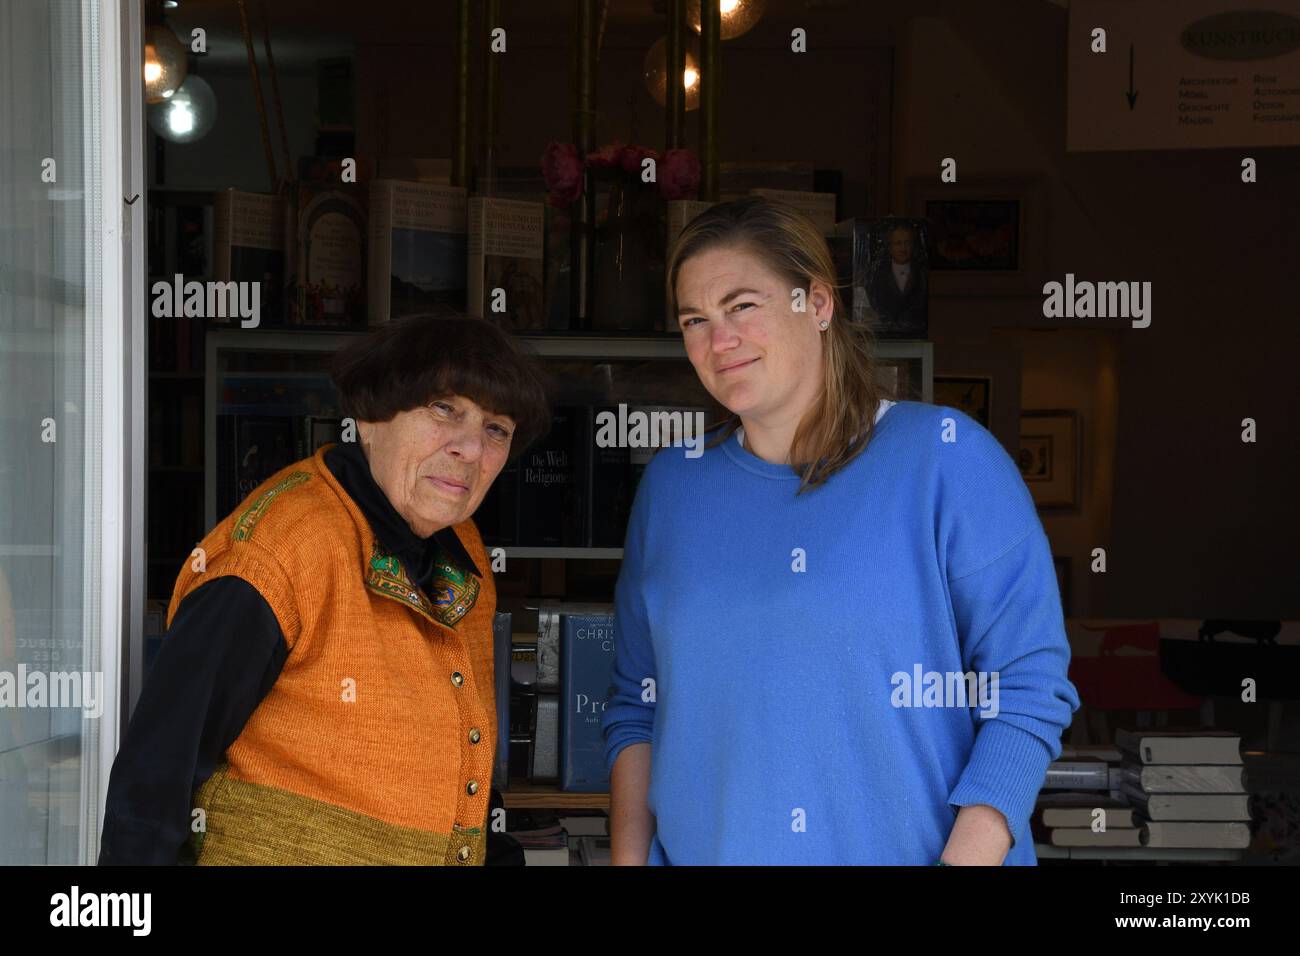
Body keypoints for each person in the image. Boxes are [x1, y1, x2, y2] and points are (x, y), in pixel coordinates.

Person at [602, 197, 1079, 865]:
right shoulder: (673, 489)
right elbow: (636, 707)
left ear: (819, 304)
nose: (720, 340)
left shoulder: (943, 458)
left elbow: (1028, 687)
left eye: (743, 306)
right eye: (695, 320)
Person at [99, 314, 550, 865]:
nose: (470, 449)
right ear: (369, 415)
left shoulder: (463, 549)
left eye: (495, 429)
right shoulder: (276, 553)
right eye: (443, 409)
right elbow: (153, 781)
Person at [867, 222, 927, 334]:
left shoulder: (922, 274)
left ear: (913, 246)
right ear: (889, 247)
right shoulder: (876, 275)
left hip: (915, 334)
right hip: (884, 334)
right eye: (898, 243)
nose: (903, 248)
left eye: (907, 243)